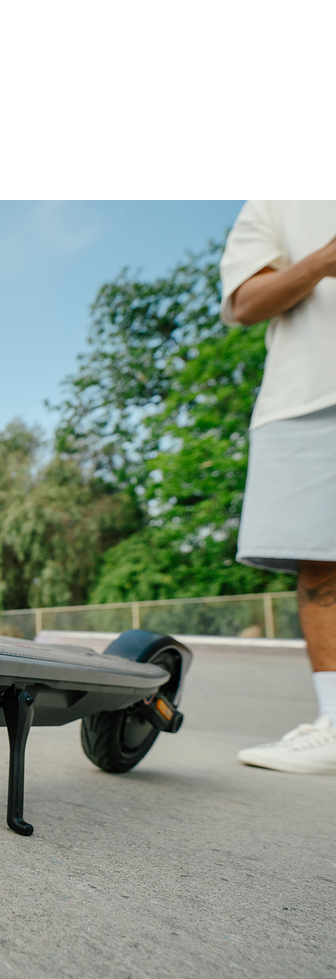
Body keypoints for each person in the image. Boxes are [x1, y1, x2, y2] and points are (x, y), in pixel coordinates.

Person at [221, 202, 336, 773]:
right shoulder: (276, 204)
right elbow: (244, 302)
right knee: (321, 564)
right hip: (308, 393)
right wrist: (324, 260)